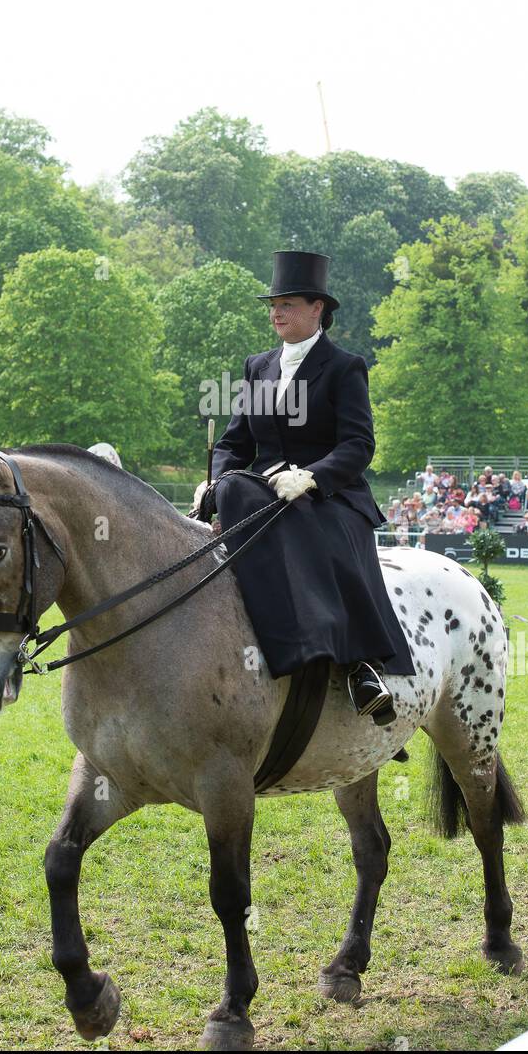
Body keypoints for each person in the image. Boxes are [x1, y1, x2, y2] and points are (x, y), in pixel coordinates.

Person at [193, 249, 415, 727]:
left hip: (330, 493)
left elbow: (359, 443)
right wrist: (212, 482)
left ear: (318, 308)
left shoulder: (344, 367)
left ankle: (361, 666)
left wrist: (313, 475)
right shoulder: (257, 366)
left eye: (287, 303)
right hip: (264, 489)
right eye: (273, 304)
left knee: (325, 536)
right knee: (228, 494)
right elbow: (236, 442)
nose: (276, 312)